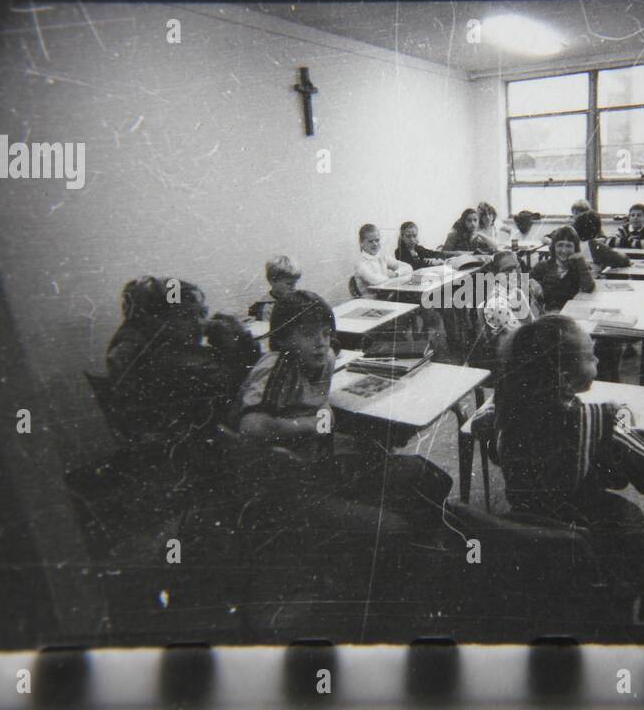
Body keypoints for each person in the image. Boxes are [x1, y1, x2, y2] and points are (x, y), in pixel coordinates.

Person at [475, 315, 644, 614]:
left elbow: (499, 451)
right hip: (590, 541)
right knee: (625, 519)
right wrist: (623, 420)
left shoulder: (499, 415)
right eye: (590, 355)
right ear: (564, 377)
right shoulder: (601, 419)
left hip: (525, 529)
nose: (598, 358)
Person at [230, 290, 455, 554]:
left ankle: (428, 546)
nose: (320, 343)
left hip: (322, 461)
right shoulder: (277, 367)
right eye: (308, 335)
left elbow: (331, 353)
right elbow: (251, 427)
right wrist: (312, 423)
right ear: (283, 338)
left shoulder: (323, 356)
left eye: (326, 333)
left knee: (432, 476)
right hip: (295, 482)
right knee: (404, 510)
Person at [104, 276, 236, 453]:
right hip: (195, 442)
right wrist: (235, 344)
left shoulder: (136, 343)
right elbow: (233, 385)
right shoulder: (172, 357)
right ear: (158, 320)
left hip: (176, 436)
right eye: (186, 316)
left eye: (202, 314)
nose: (200, 324)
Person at [530, 225, 595, 311]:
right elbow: (523, 284)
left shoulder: (579, 266)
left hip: (572, 312)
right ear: (554, 247)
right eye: (560, 245)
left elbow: (589, 288)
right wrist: (532, 283)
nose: (564, 250)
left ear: (575, 249)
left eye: (568, 246)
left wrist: (580, 260)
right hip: (548, 314)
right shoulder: (542, 266)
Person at [354, 223, 413, 294]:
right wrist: (388, 275)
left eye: (377, 240)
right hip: (370, 300)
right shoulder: (360, 263)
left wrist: (396, 273)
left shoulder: (382, 257)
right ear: (361, 243)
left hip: (386, 295)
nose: (375, 244)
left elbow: (408, 267)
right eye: (370, 241)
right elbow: (374, 280)